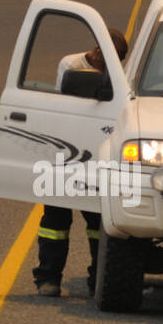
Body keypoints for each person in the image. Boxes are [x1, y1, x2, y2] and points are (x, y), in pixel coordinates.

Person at [33, 25, 129, 297]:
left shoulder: (117, 74)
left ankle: (98, 279)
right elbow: (76, 101)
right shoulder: (72, 64)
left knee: (99, 222)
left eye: (120, 57)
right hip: (65, 151)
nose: (117, 62)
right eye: (114, 55)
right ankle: (47, 278)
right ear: (99, 50)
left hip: (97, 156)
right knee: (55, 221)